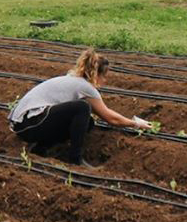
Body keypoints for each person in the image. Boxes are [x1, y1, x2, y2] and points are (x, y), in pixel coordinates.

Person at [8, 48, 151, 168]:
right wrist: (135, 124)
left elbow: (101, 113)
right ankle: (75, 159)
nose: (105, 81)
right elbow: (110, 118)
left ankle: (40, 149)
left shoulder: (73, 80)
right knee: (82, 107)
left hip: (25, 124)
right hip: (30, 122)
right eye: (104, 76)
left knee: (87, 122)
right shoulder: (85, 87)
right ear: (96, 74)